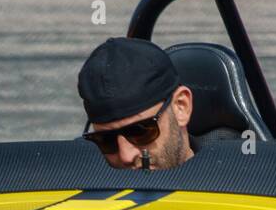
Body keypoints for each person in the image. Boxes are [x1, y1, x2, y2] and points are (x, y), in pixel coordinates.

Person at [77, 37, 195, 171]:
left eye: (140, 132)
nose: (125, 156)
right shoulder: (78, 177)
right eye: (106, 140)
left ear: (181, 106)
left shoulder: (222, 182)